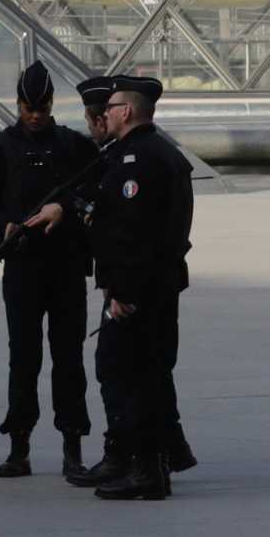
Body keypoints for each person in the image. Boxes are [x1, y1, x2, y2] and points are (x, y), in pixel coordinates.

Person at [0, 60, 99, 479]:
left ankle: (72, 446)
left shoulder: (75, 147)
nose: (35, 115)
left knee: (69, 359)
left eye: (42, 107)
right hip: (22, 266)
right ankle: (19, 446)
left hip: (65, 267)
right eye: (29, 107)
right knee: (23, 358)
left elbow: (97, 190)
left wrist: (64, 208)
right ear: (19, 103)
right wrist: (2, 227)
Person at [80, 73, 195, 501]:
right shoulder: (156, 153)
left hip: (140, 290)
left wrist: (122, 291)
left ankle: (145, 468)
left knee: (132, 374)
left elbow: (134, 234)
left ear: (125, 111)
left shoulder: (137, 161)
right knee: (144, 373)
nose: (103, 115)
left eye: (109, 108)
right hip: (157, 286)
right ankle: (153, 460)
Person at [61, 72, 122, 493]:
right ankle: (141, 455)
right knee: (119, 370)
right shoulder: (114, 157)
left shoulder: (127, 160)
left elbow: (126, 231)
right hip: (120, 282)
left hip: (127, 288)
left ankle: (135, 459)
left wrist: (120, 289)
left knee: (123, 371)